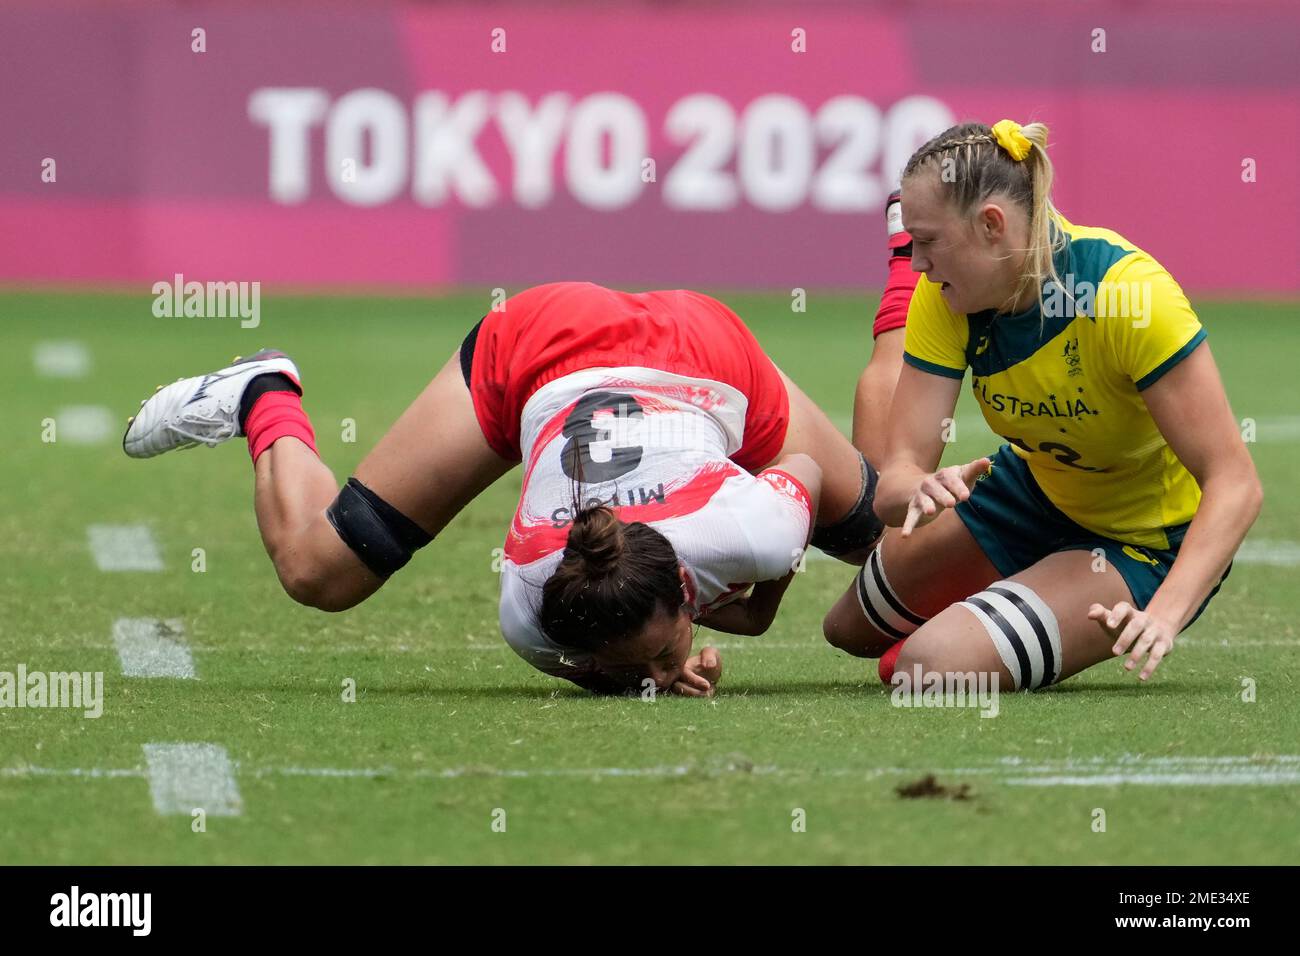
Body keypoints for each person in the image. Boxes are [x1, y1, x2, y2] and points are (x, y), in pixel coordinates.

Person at [125, 282, 885, 696]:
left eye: (654, 658)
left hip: (687, 354)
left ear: (690, 595)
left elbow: (806, 479)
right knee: (318, 571)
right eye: (654, 663)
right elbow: (613, 653)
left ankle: (903, 260)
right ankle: (262, 393)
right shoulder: (536, 613)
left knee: (889, 539)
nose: (658, 676)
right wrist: (698, 635)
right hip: (556, 361)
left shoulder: (754, 532)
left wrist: (752, 607)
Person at [822, 120, 1262, 689]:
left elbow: (1236, 481)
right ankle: (1003, 611)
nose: (920, 265)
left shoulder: (1128, 296)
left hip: (1145, 544)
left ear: (991, 225)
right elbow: (896, 480)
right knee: (847, 630)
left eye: (928, 242)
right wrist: (918, 487)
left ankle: (989, 623)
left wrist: (1164, 615)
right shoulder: (944, 298)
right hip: (1031, 491)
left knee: (929, 668)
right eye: (912, 245)